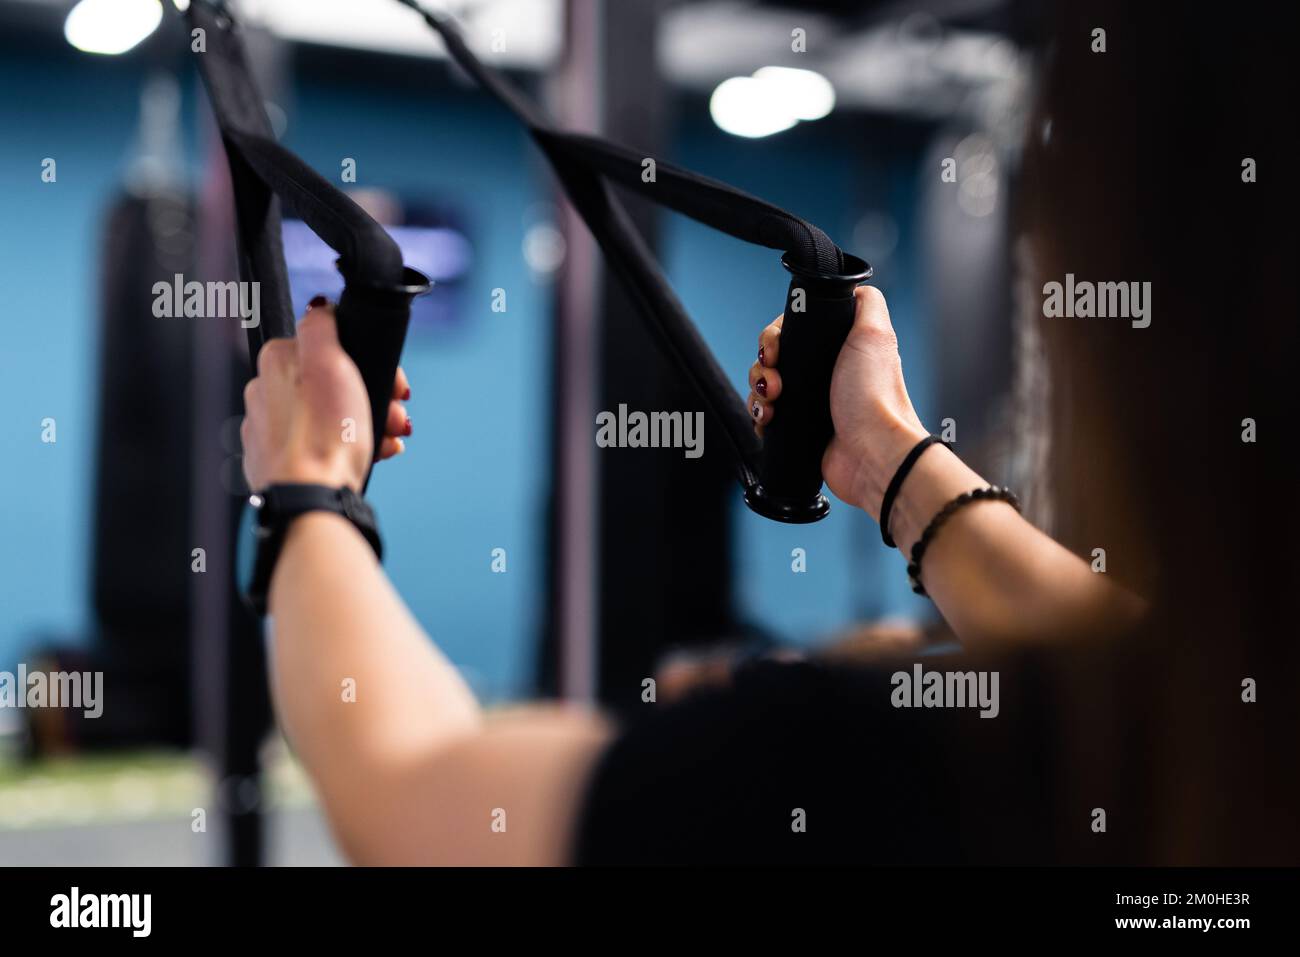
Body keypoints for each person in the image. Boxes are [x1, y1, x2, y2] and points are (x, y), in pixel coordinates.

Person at [238, 1, 1296, 865]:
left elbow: (416, 799)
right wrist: (886, 458)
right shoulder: (1211, 746)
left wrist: (308, 483)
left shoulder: (919, 775)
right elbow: (1126, 650)